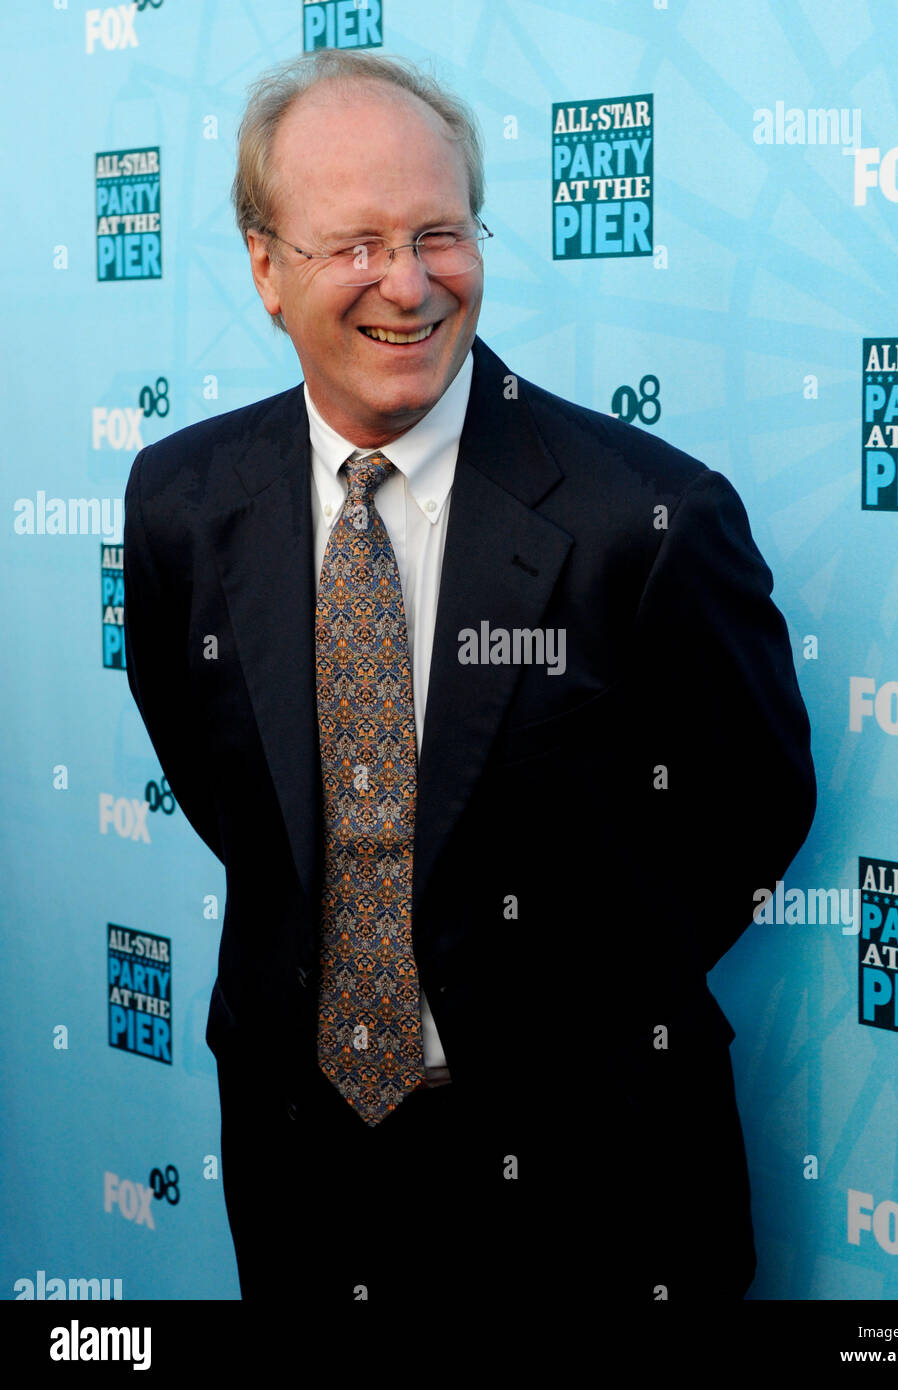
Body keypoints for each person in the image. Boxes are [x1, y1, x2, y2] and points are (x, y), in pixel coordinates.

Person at [123, 48, 816, 1312]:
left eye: (439, 233)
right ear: (266, 267)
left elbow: (751, 812)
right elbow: (230, 782)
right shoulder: (179, 501)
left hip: (595, 1186)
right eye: (356, 244)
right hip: (302, 1159)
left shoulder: (644, 519)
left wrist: (553, 1018)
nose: (408, 283)